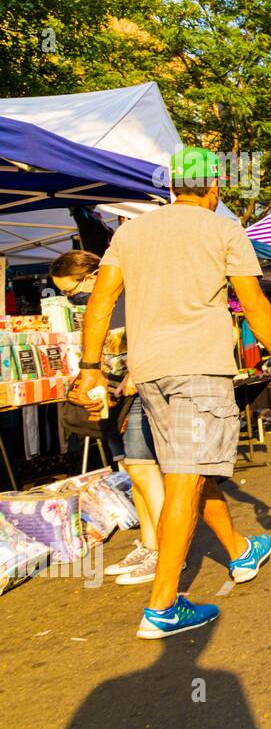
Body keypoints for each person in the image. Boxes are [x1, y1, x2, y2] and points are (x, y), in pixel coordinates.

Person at [70, 146, 271, 640]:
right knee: (186, 479)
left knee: (189, 470)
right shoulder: (223, 229)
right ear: (214, 188)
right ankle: (163, 606)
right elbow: (254, 303)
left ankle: (239, 550)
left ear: (172, 187)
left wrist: (89, 369)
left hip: (150, 373)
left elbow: (101, 300)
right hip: (199, 369)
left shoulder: (131, 231)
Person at [51, 251, 166, 586]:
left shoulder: (131, 296)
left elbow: (150, 337)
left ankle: (166, 550)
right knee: (131, 470)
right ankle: (149, 544)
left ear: (93, 275)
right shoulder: (98, 307)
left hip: (139, 391)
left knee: (144, 468)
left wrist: (133, 375)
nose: (70, 298)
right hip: (112, 397)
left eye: (71, 291)